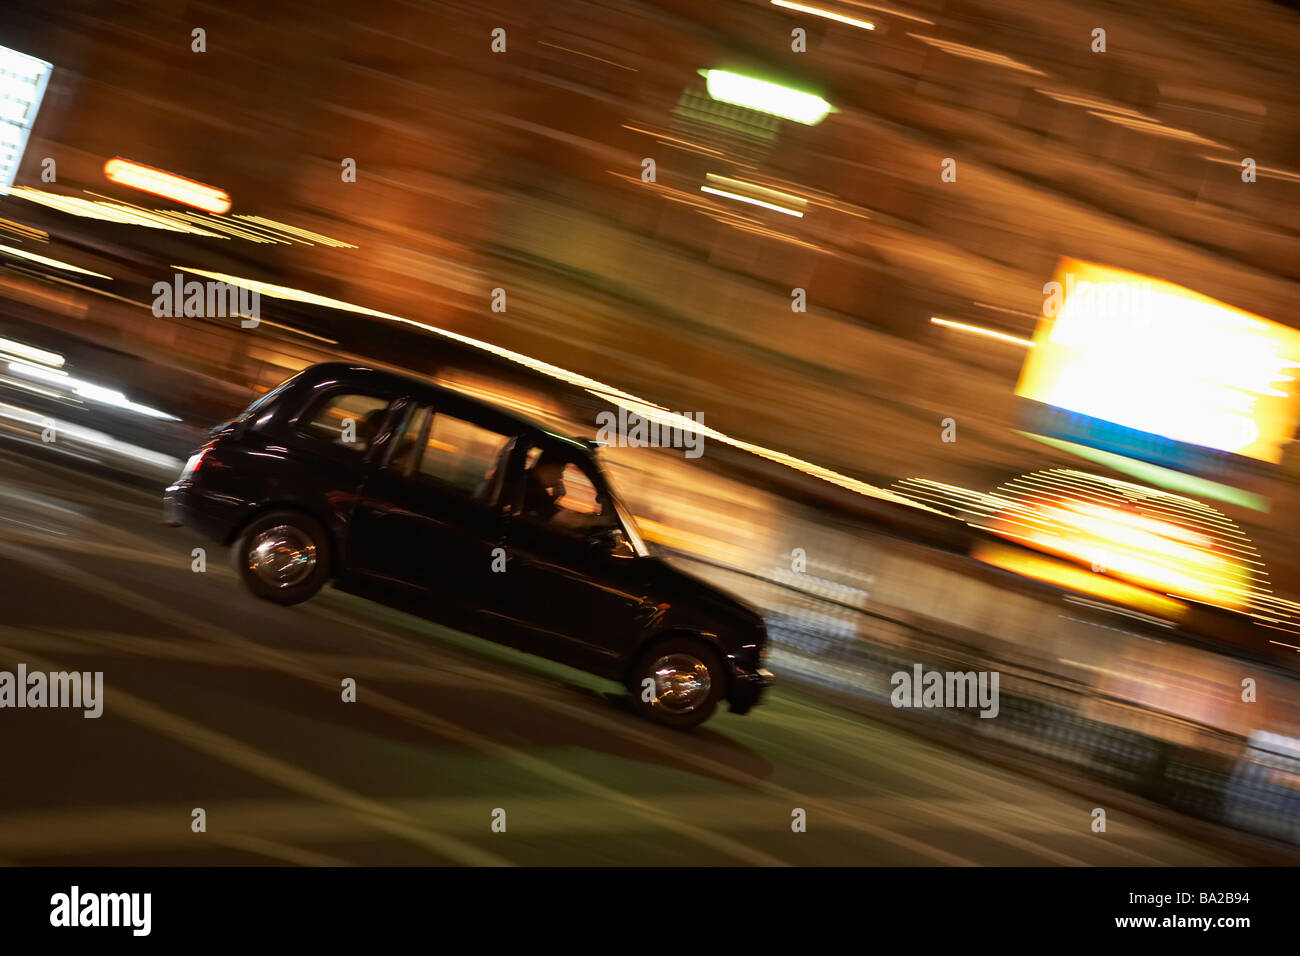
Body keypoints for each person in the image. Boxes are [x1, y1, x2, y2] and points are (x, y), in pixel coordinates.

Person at [522, 451, 567, 520]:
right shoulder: (536, 491)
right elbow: (558, 519)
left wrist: (555, 497)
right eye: (560, 470)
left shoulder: (525, 478)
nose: (561, 476)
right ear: (546, 469)